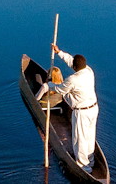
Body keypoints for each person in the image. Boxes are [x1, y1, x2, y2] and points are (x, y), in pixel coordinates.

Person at [47, 43, 98, 173]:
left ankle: (84, 167)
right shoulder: (88, 70)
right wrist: (59, 52)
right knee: (90, 136)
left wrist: (49, 84)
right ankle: (90, 160)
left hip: (82, 112)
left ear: (75, 68)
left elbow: (59, 89)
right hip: (93, 109)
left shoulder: (73, 79)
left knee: (79, 138)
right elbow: (72, 61)